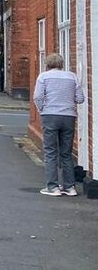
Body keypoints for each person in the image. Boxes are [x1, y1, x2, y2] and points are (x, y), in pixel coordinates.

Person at [34, 53, 86, 196]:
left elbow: (37, 97)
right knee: (66, 153)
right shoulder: (72, 76)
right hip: (69, 116)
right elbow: (80, 99)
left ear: (47, 64)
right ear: (62, 64)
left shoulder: (43, 77)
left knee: (50, 152)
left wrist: (42, 109)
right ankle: (70, 187)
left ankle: (53, 187)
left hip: (50, 115)